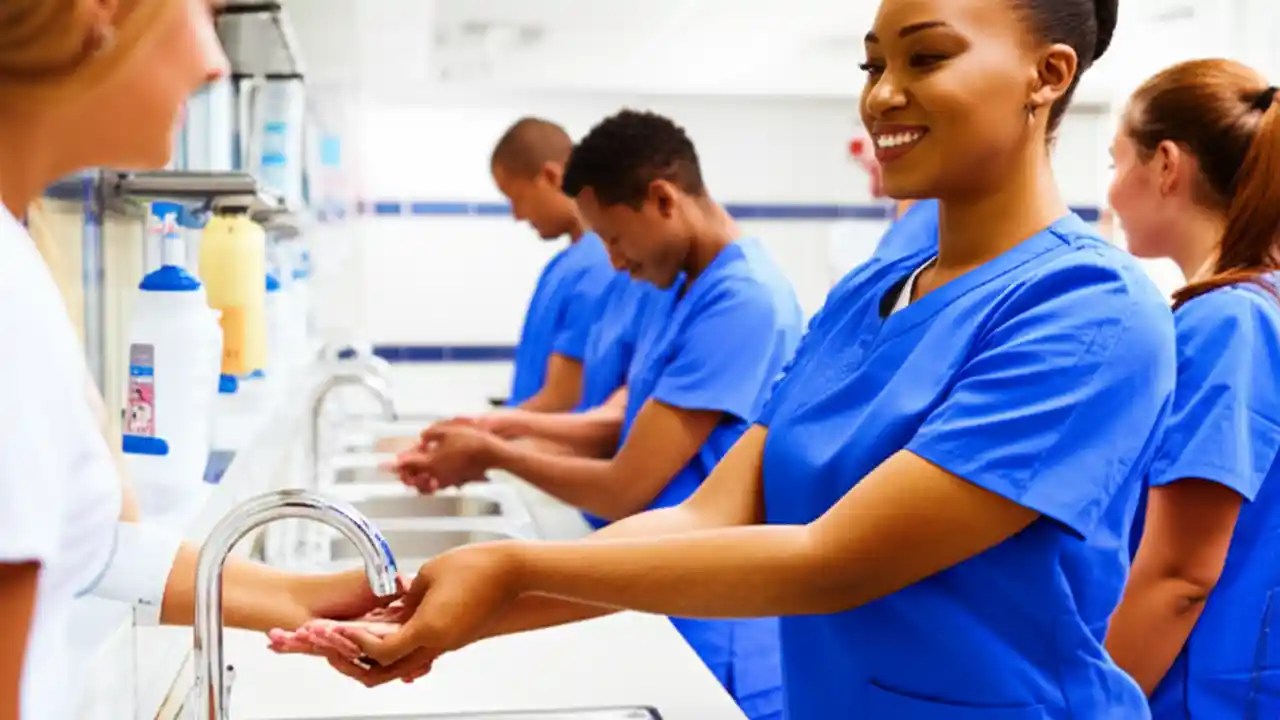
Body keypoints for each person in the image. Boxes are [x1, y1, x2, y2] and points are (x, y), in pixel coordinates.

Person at [280, 1, 1174, 718]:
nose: (882, 94)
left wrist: (512, 568)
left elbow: (837, 560)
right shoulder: (876, 288)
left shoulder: (1088, 310)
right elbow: (712, 512)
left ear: (1047, 75)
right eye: (872, 64)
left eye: (925, 57)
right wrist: (455, 616)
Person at [0, 3, 403, 718]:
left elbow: (87, 550)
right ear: (98, 12)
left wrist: (303, 597)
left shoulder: (21, 259)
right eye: (201, 12)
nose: (215, 61)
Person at [380, 110, 799, 719]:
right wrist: (498, 429)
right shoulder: (680, 285)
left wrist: (497, 453)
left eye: (615, 238)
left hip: (716, 622)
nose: (615, 262)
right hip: (657, 583)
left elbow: (628, 486)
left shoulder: (743, 301)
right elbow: (622, 419)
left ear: (662, 199)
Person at [1103, 59, 1280, 719]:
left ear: (1166, 165)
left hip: (1201, 693)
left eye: (1116, 162)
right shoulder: (1251, 308)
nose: (1113, 191)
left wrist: (1092, 707)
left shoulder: (1228, 320)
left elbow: (1180, 575)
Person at [489, 117, 615, 412]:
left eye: (517, 198)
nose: (517, 215)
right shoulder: (563, 266)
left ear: (551, 176)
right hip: (526, 444)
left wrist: (484, 434)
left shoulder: (599, 267)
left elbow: (562, 399)